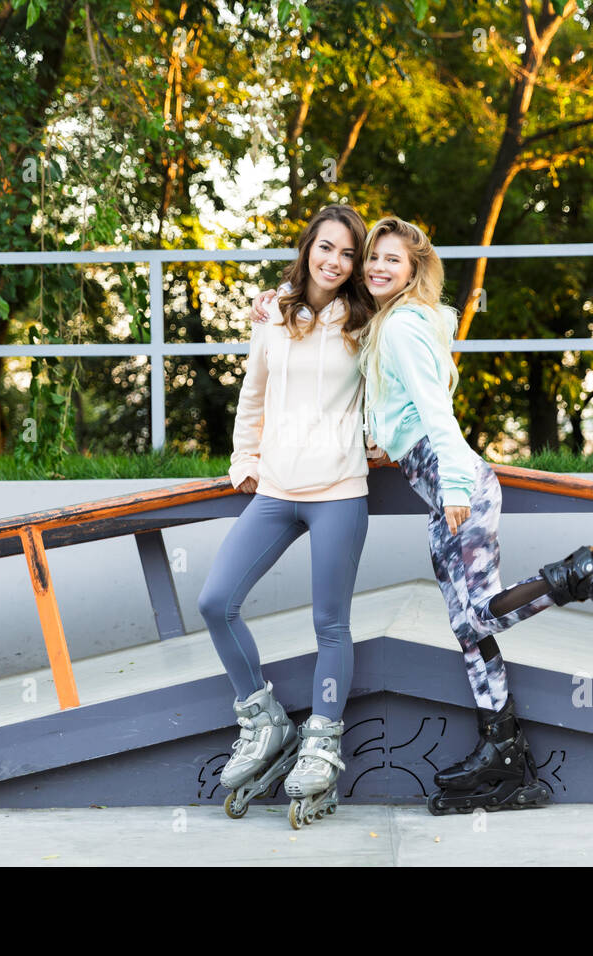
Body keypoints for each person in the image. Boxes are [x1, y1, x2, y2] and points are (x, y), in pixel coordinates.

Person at [257, 216, 593, 814]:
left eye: (394, 260)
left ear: (415, 271)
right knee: (471, 629)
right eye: (374, 259)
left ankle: (585, 573)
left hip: (454, 483)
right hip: (444, 481)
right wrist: (276, 301)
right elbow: (397, 405)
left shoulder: (402, 327)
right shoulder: (392, 324)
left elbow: (437, 412)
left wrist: (454, 490)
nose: (378, 268)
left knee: (481, 616)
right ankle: (504, 750)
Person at [197, 204, 378, 827]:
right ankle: (263, 719)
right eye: (325, 248)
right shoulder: (272, 315)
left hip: (339, 493)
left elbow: (417, 357)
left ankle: (323, 740)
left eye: (348, 254)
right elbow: (253, 394)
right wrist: (243, 456)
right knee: (215, 601)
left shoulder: (369, 320)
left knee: (330, 624)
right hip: (274, 489)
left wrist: (380, 435)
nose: (334, 261)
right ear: (307, 250)